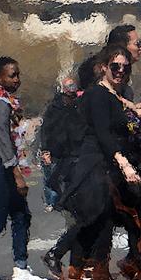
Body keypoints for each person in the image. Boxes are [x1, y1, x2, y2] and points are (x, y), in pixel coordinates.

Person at [53, 45, 139, 280]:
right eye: (115, 66)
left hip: (103, 167)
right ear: (104, 67)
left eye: (125, 67)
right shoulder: (98, 95)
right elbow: (103, 133)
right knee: (89, 223)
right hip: (92, 166)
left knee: (101, 224)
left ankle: (87, 278)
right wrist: (123, 162)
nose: (120, 71)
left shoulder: (112, 95)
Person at [0, 55, 47, 280]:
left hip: (5, 165)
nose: (17, 79)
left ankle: (21, 267)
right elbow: (2, 141)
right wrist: (16, 174)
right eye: (11, 75)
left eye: (18, 74)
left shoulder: (7, 102)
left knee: (20, 215)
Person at [38, 75, 80, 212]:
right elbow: (45, 129)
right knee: (51, 176)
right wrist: (45, 150)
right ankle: (51, 202)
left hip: (72, 150)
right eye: (69, 87)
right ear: (63, 90)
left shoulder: (78, 105)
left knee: (69, 177)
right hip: (55, 149)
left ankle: (66, 201)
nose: (71, 90)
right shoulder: (54, 108)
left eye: (73, 86)